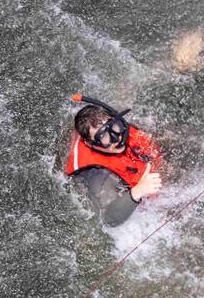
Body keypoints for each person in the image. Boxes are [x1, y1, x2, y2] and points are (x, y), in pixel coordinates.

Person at [57, 95, 162, 227]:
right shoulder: (98, 175)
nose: (116, 138)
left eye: (114, 127)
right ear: (93, 145)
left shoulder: (121, 130)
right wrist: (138, 191)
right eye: (104, 137)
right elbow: (108, 220)